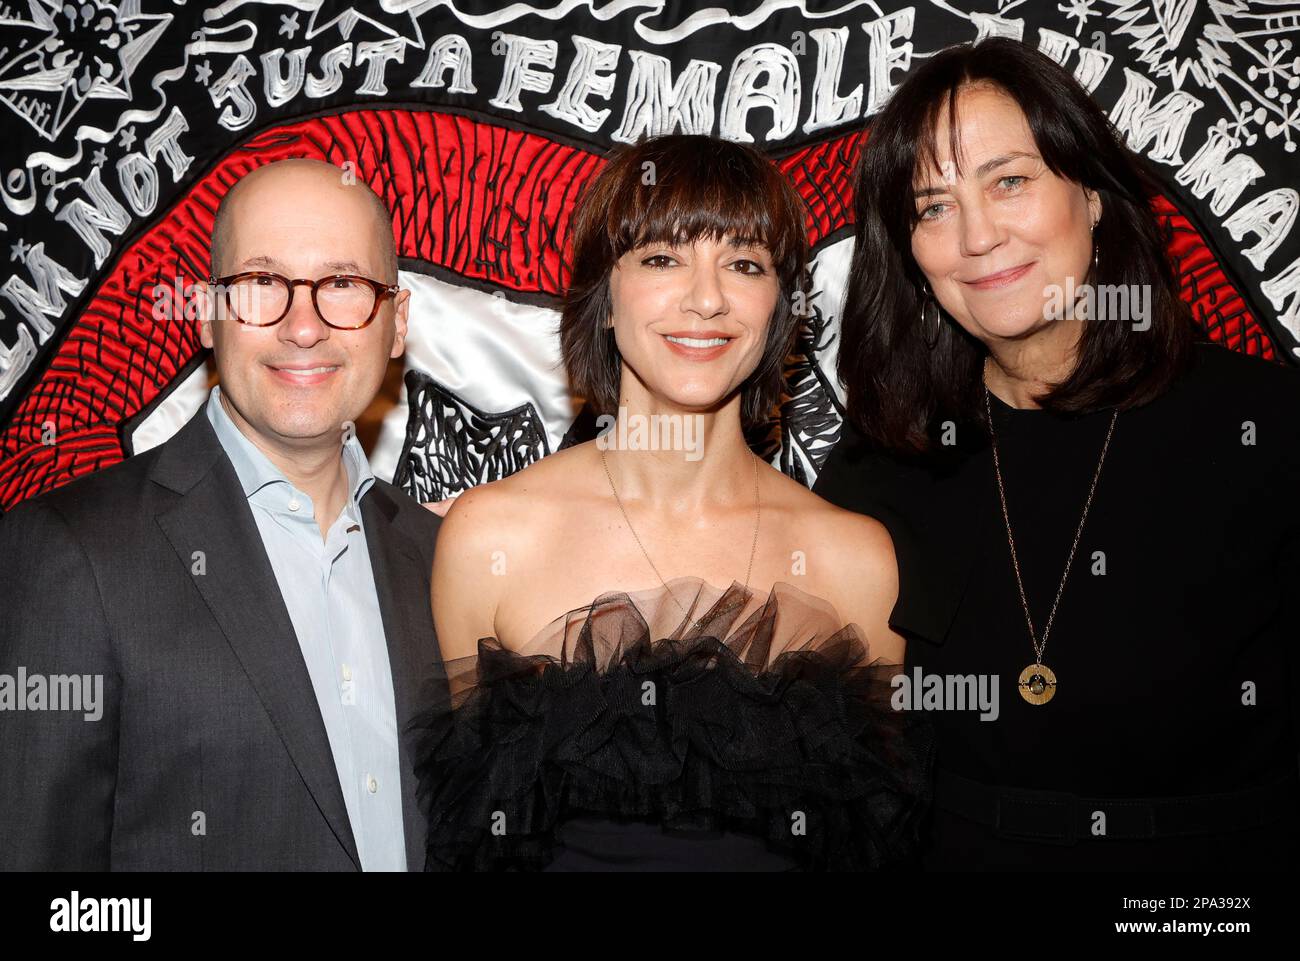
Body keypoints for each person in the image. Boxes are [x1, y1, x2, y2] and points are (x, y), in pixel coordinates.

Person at [815, 38, 1300, 869]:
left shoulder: (1269, 428)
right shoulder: (883, 460)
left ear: (1095, 196)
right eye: (933, 206)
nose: (977, 236)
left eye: (1010, 181)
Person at [415, 134, 931, 871]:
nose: (708, 297)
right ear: (604, 297)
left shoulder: (856, 558)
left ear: (781, 308)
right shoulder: (492, 539)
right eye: (663, 258)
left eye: (745, 264)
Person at [0, 159, 442, 870]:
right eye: (262, 283)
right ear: (207, 315)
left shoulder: (440, 558)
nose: (304, 326)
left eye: (342, 284)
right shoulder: (72, 552)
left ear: (397, 323)